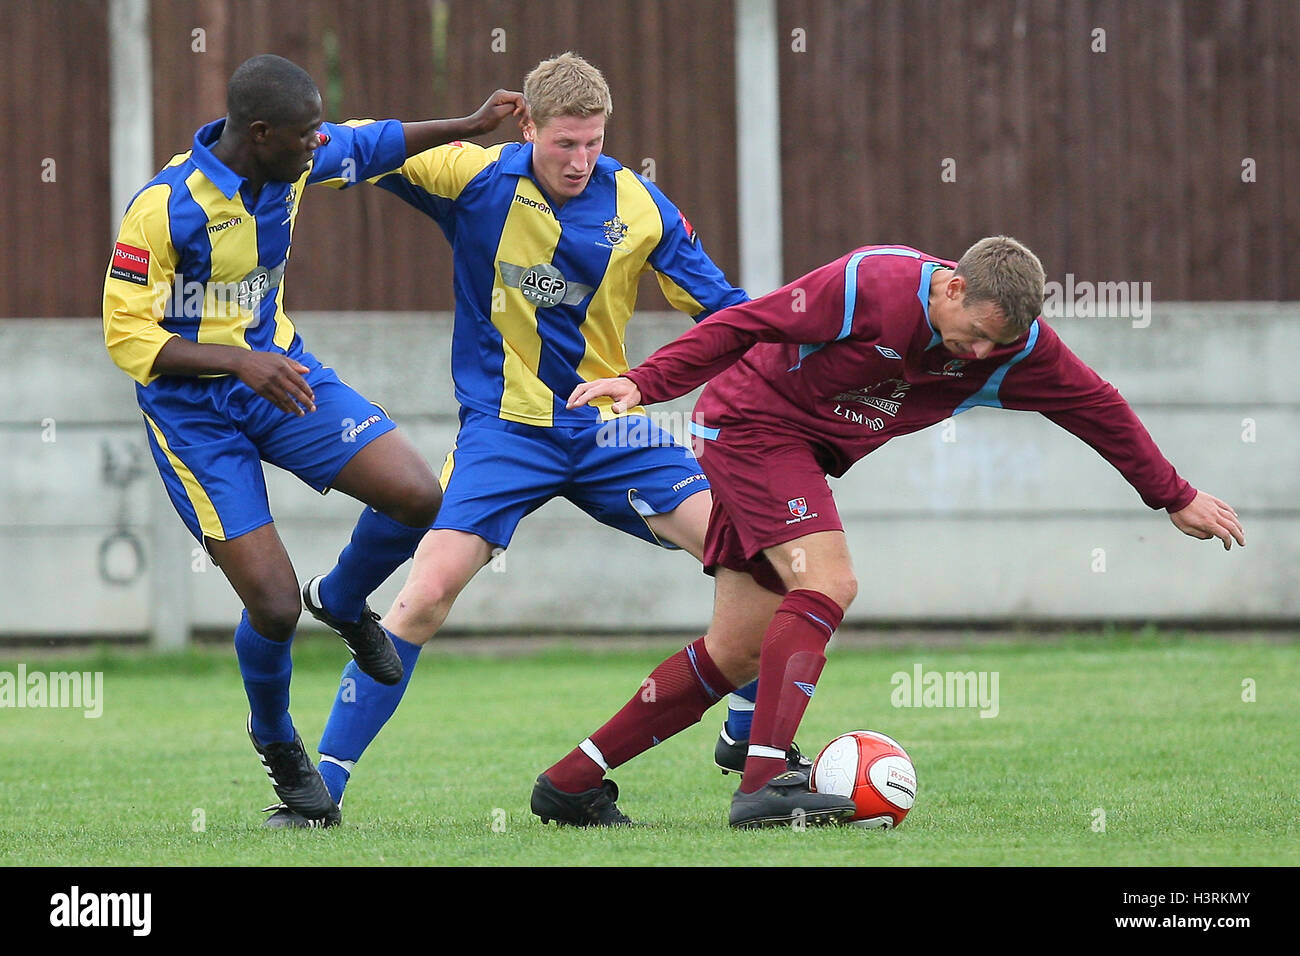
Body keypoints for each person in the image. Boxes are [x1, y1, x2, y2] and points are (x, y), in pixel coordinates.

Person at [556, 236, 1246, 828]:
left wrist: (1173, 496)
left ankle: (570, 785)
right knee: (830, 581)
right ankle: (763, 782)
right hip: (749, 427)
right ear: (951, 286)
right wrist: (644, 382)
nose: (979, 352)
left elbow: (1097, 404)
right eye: (973, 331)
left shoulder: (1014, 350)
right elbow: (746, 324)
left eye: (995, 344)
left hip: (794, 454)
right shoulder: (871, 284)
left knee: (736, 651)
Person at [287, 51, 789, 827]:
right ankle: (320, 793)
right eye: (565, 144)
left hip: (611, 426)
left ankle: (745, 733)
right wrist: (283, 146)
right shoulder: (474, 176)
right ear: (528, 126)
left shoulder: (640, 205)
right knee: (423, 596)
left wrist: (803, 360)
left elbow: (725, 313)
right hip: (505, 432)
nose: (581, 160)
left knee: (756, 559)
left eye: (593, 143)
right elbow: (366, 144)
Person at [103, 53, 524, 827]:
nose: (317, 144)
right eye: (305, 136)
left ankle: (343, 596)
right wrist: (237, 360)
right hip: (194, 413)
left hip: (281, 374)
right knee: (270, 606)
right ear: (259, 134)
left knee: (417, 494)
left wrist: (465, 126)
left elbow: (372, 143)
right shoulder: (162, 210)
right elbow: (126, 337)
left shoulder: (295, 160)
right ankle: (278, 741)